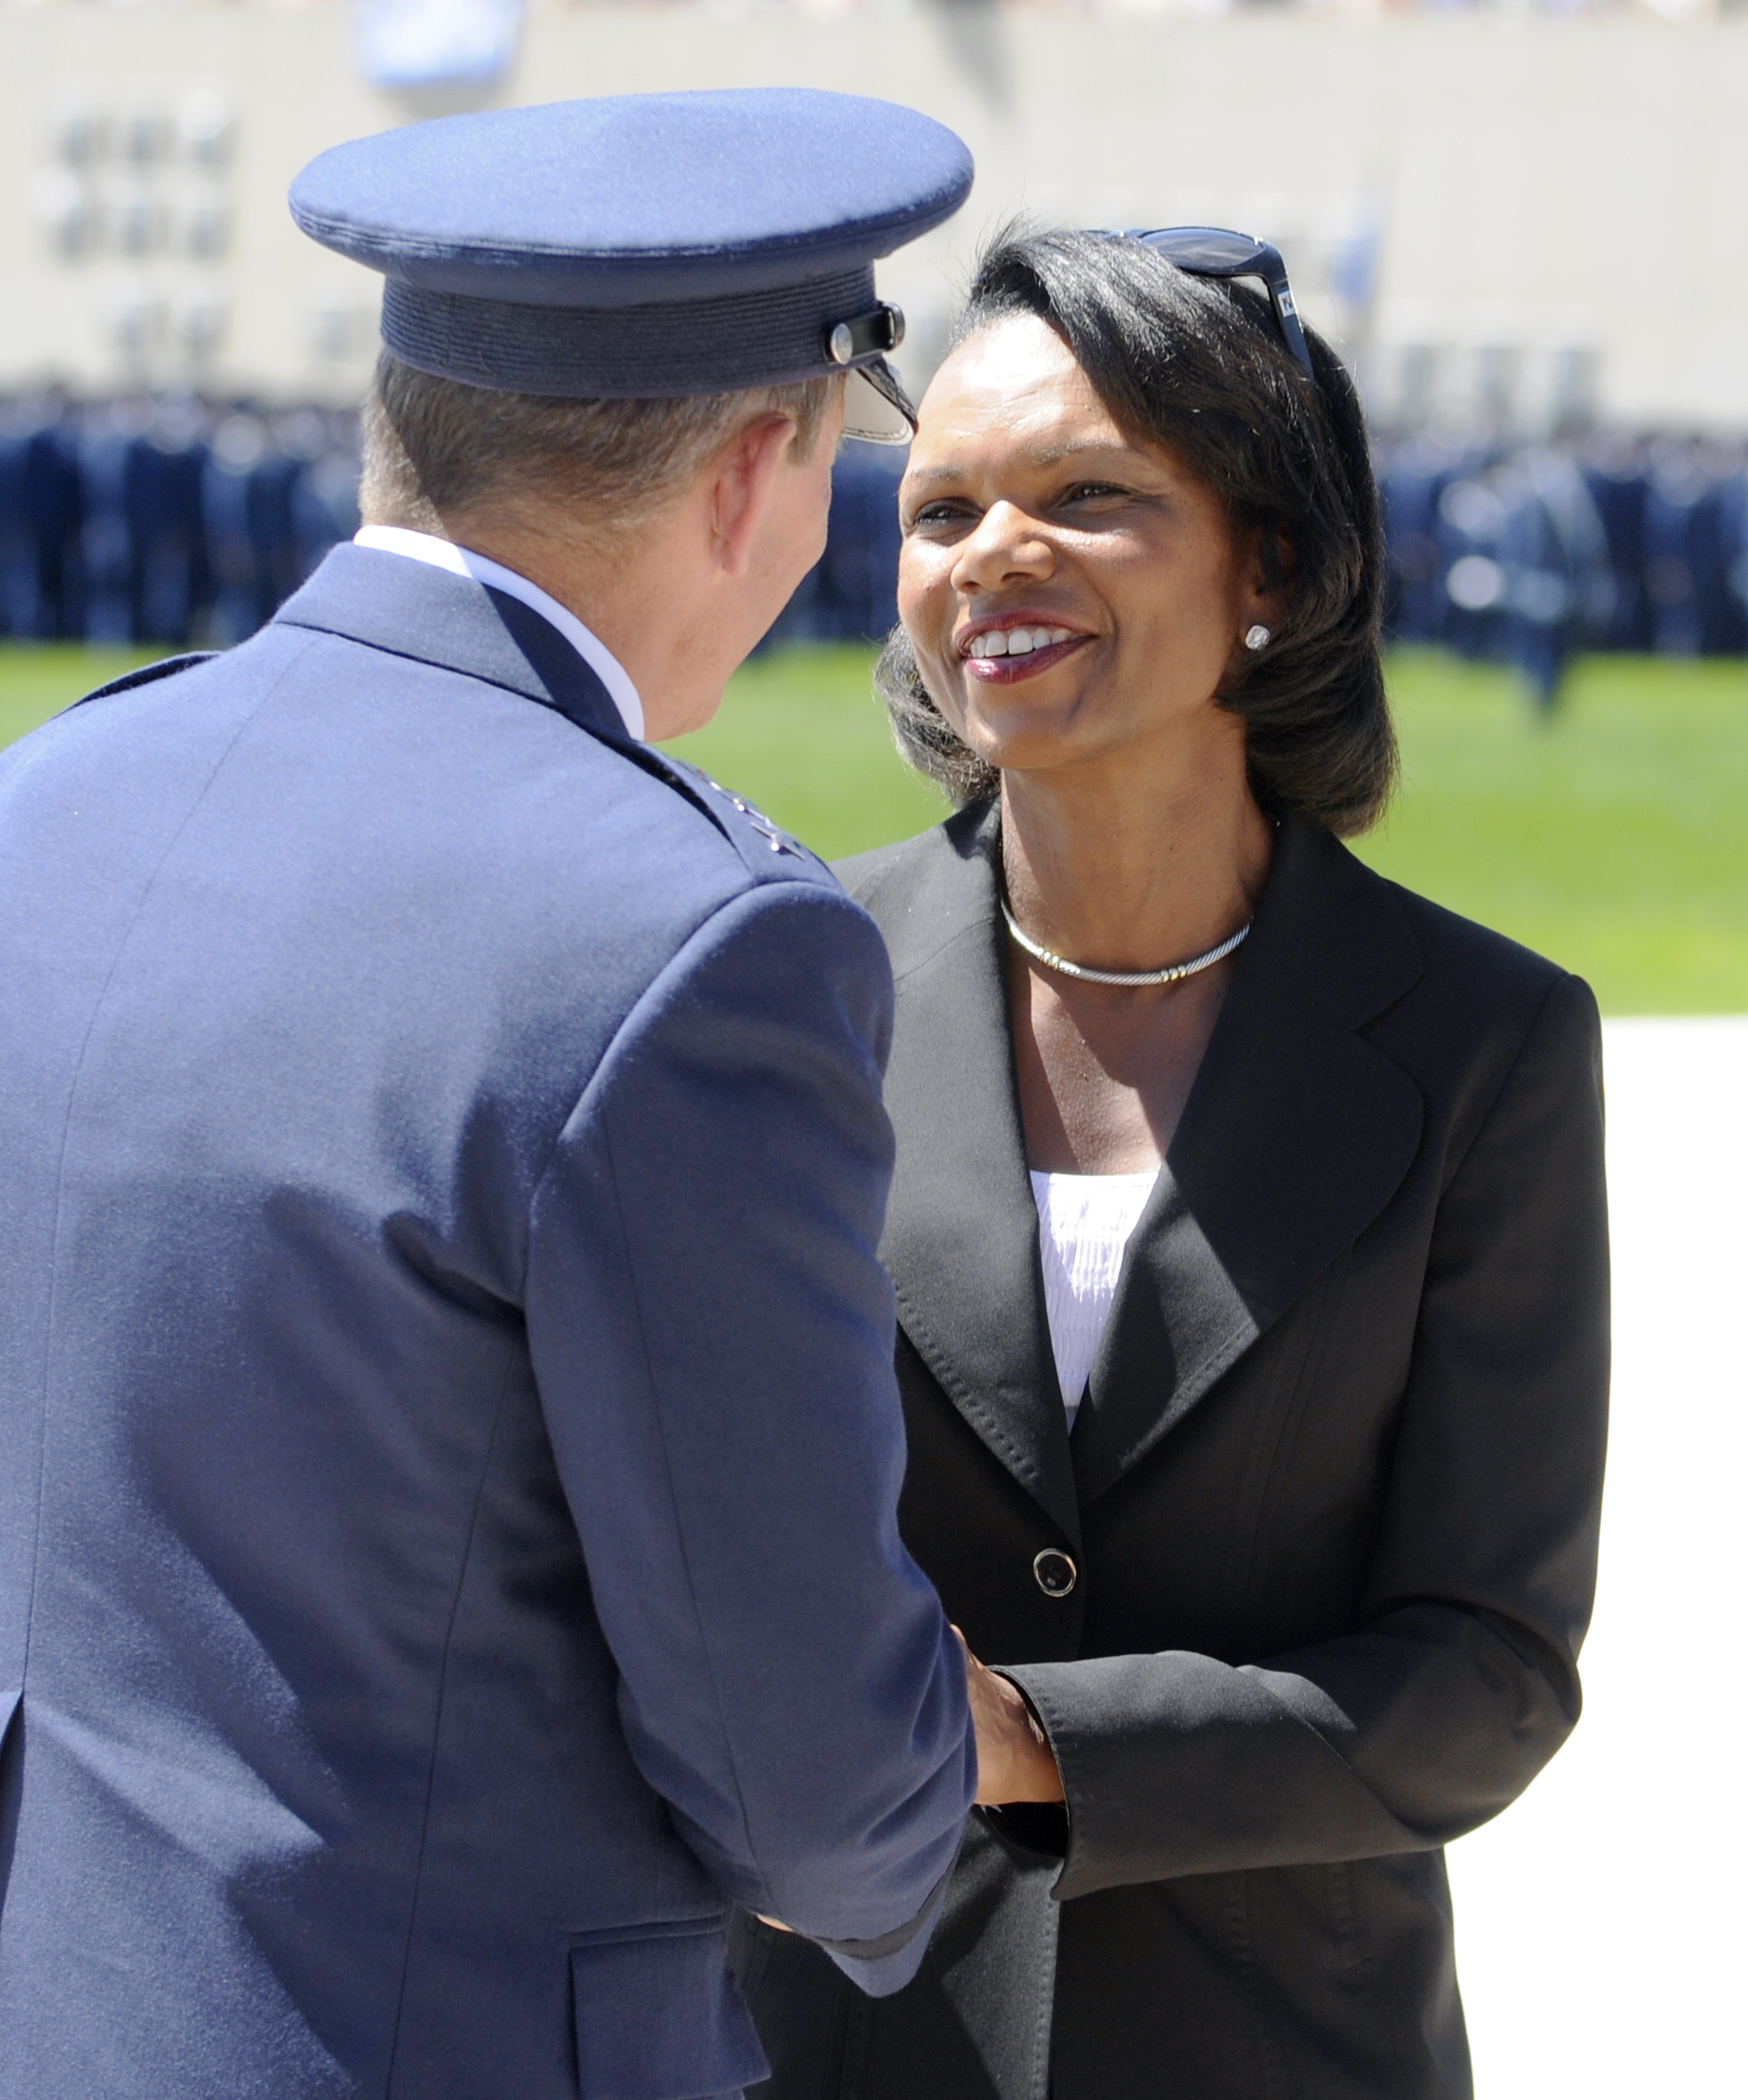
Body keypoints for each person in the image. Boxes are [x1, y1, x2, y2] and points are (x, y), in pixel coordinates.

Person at [0, 91, 988, 2100]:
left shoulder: (55, 798)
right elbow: (796, 1767)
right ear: (746, 474)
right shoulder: (691, 938)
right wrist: (972, 1794)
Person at [733, 227, 1610, 2100]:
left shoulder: (1488, 1046)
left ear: (1271, 565)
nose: (992, 558)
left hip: (1285, 2047)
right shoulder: (773, 989)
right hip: (836, 2046)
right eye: (940, 508)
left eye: (1086, 497)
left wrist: (1034, 1740)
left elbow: (1488, 1674)